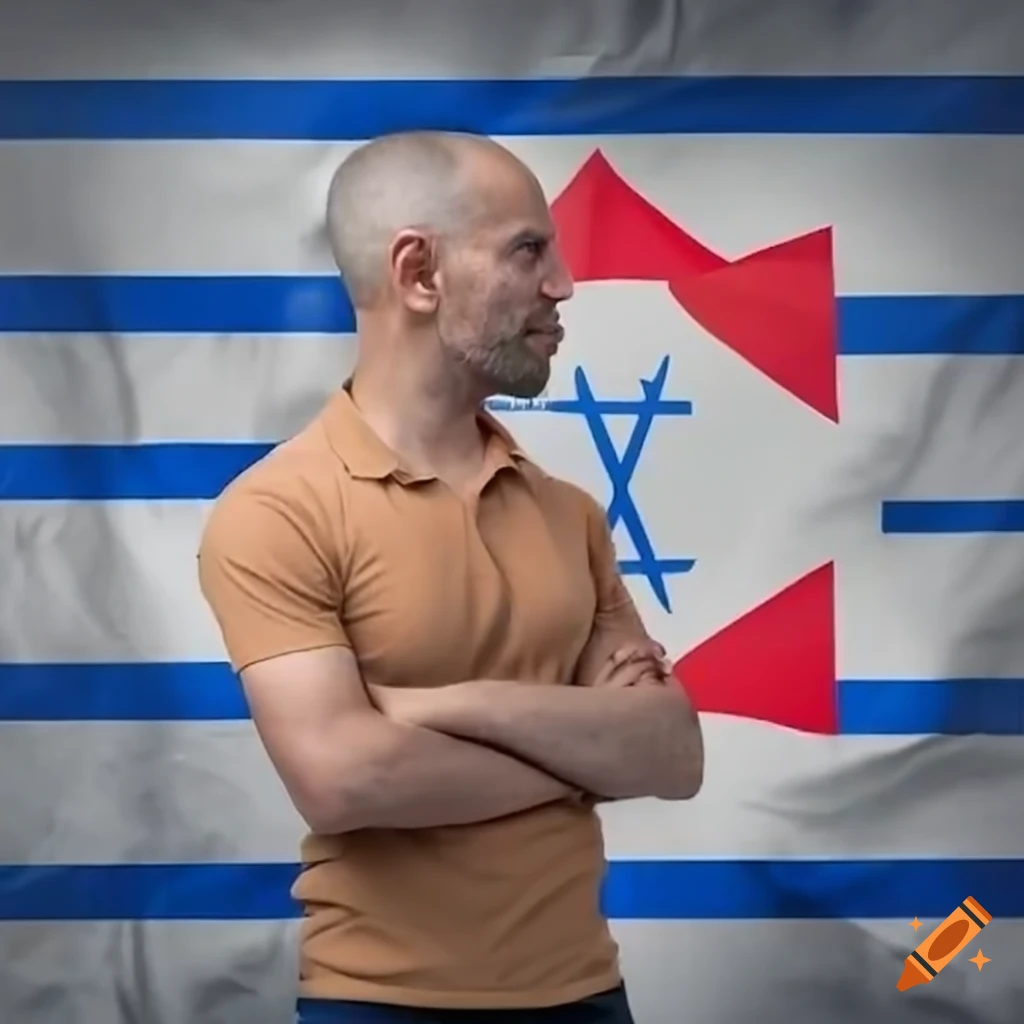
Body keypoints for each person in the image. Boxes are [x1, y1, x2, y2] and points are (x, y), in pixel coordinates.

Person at [197, 130, 704, 1023]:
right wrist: (587, 756)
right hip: (380, 1005)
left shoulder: (570, 514)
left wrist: (440, 706)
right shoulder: (276, 512)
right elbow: (348, 781)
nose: (563, 285)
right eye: (527, 250)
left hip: (590, 996)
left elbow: (672, 753)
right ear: (419, 273)